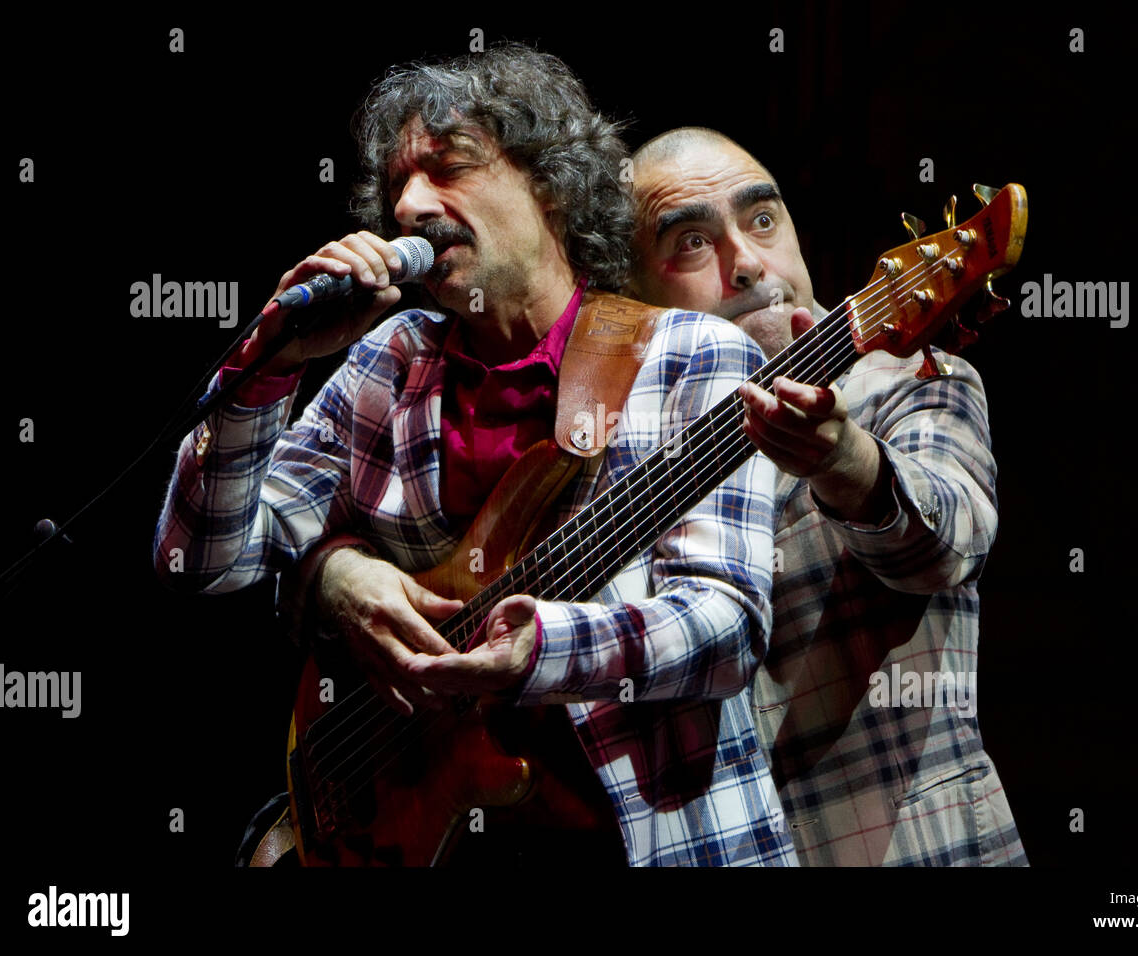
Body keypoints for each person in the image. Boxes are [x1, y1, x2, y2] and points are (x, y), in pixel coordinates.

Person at [155, 48, 795, 867]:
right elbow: (196, 562)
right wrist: (267, 371)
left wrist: (539, 650)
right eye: (397, 189)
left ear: (552, 185)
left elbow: (725, 627)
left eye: (446, 170)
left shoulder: (691, 356)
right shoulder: (388, 361)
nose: (412, 205)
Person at [625, 127, 1028, 865]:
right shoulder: (620, 460)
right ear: (632, 297)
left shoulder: (909, 383)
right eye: (689, 242)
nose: (746, 264)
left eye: (762, 220)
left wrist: (844, 458)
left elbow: (949, 543)